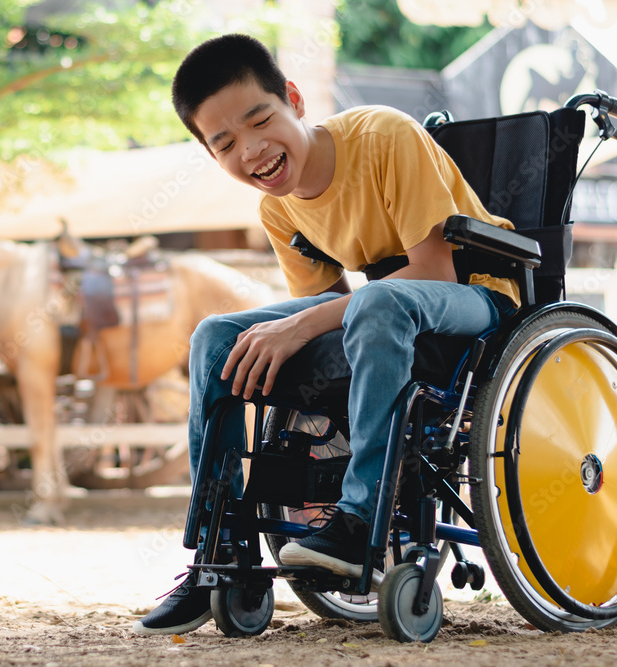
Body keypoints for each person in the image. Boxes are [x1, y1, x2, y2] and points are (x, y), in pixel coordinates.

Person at [132, 33, 519, 636]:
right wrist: (299, 322)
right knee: (216, 337)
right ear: (212, 155)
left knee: (379, 301)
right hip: (384, 311)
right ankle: (220, 550)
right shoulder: (278, 208)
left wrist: (305, 320)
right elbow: (327, 302)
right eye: (226, 143)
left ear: (293, 99)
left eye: (260, 120)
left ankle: (361, 517)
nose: (253, 150)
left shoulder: (383, 136)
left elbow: (433, 271)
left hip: (476, 298)